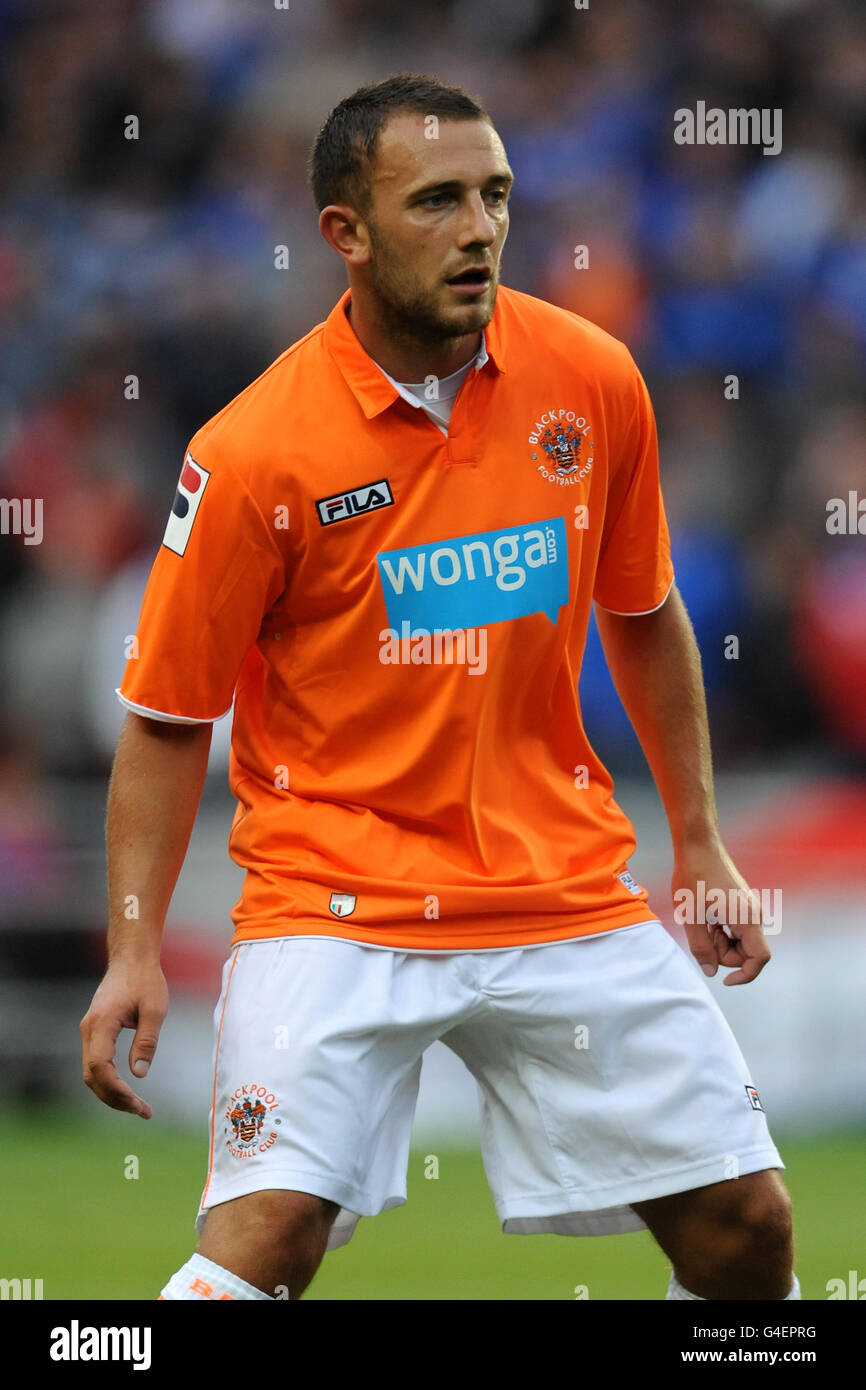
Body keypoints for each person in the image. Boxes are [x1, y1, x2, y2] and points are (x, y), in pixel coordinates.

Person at [80, 73, 798, 1302]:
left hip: (555, 881)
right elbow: (165, 719)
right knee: (266, 1237)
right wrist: (132, 948)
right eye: (436, 201)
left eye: (495, 195)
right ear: (343, 235)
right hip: (334, 893)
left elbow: (641, 614)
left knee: (747, 1231)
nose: (478, 228)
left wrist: (700, 845)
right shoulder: (251, 452)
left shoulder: (591, 380)